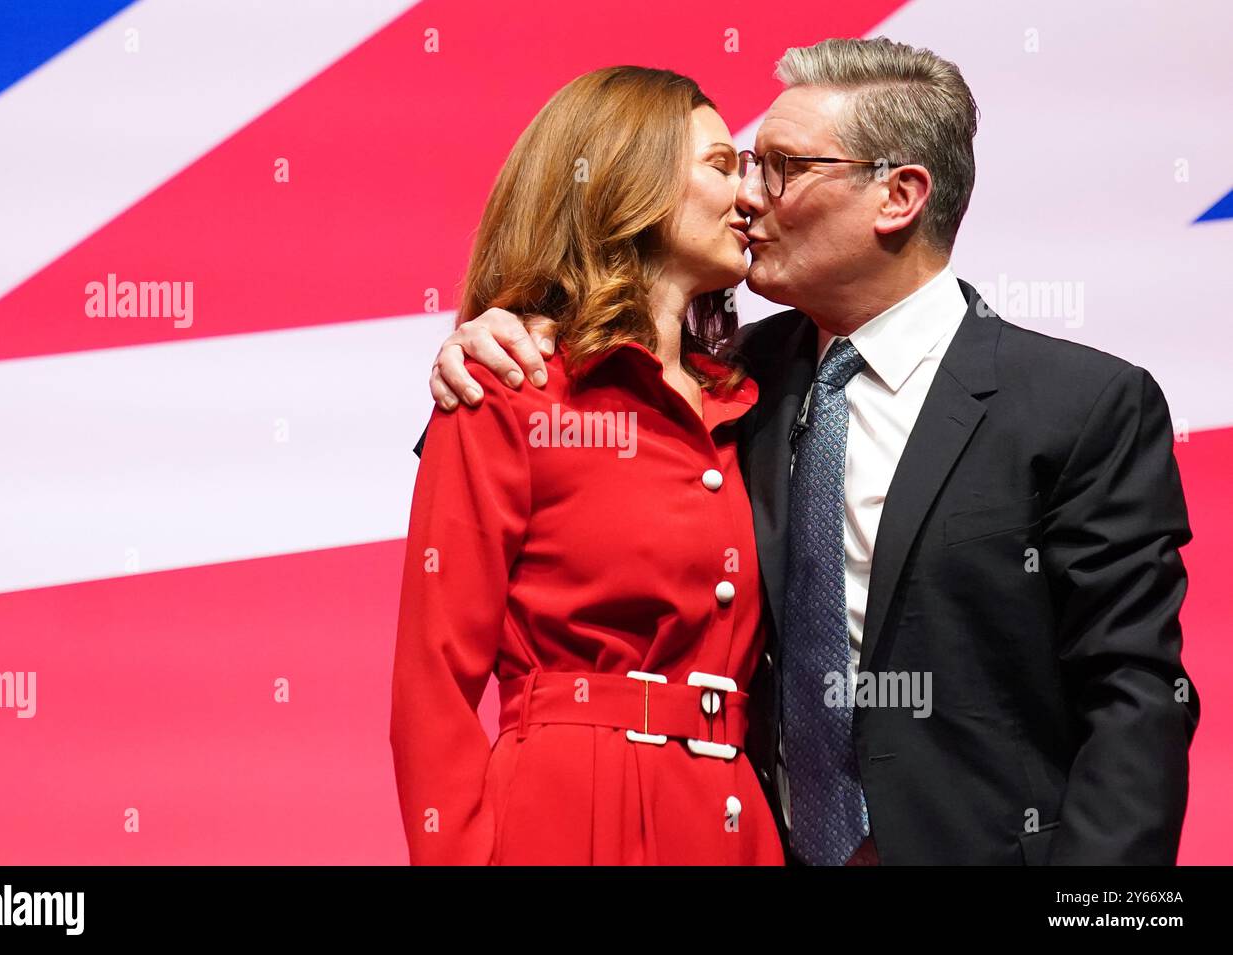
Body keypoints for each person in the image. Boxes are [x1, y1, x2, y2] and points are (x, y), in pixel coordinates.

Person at [422, 38, 1200, 865]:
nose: (748, 198)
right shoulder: (722, 387)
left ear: (897, 196)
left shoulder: (1077, 406)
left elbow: (1135, 700)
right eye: (746, 165)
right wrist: (493, 341)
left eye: (783, 169)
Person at [390, 65, 786, 865]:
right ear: (624, 181)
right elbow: (430, 688)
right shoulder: (509, 389)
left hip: (733, 823)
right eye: (720, 165)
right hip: (564, 817)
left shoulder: (756, 398)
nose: (750, 197)